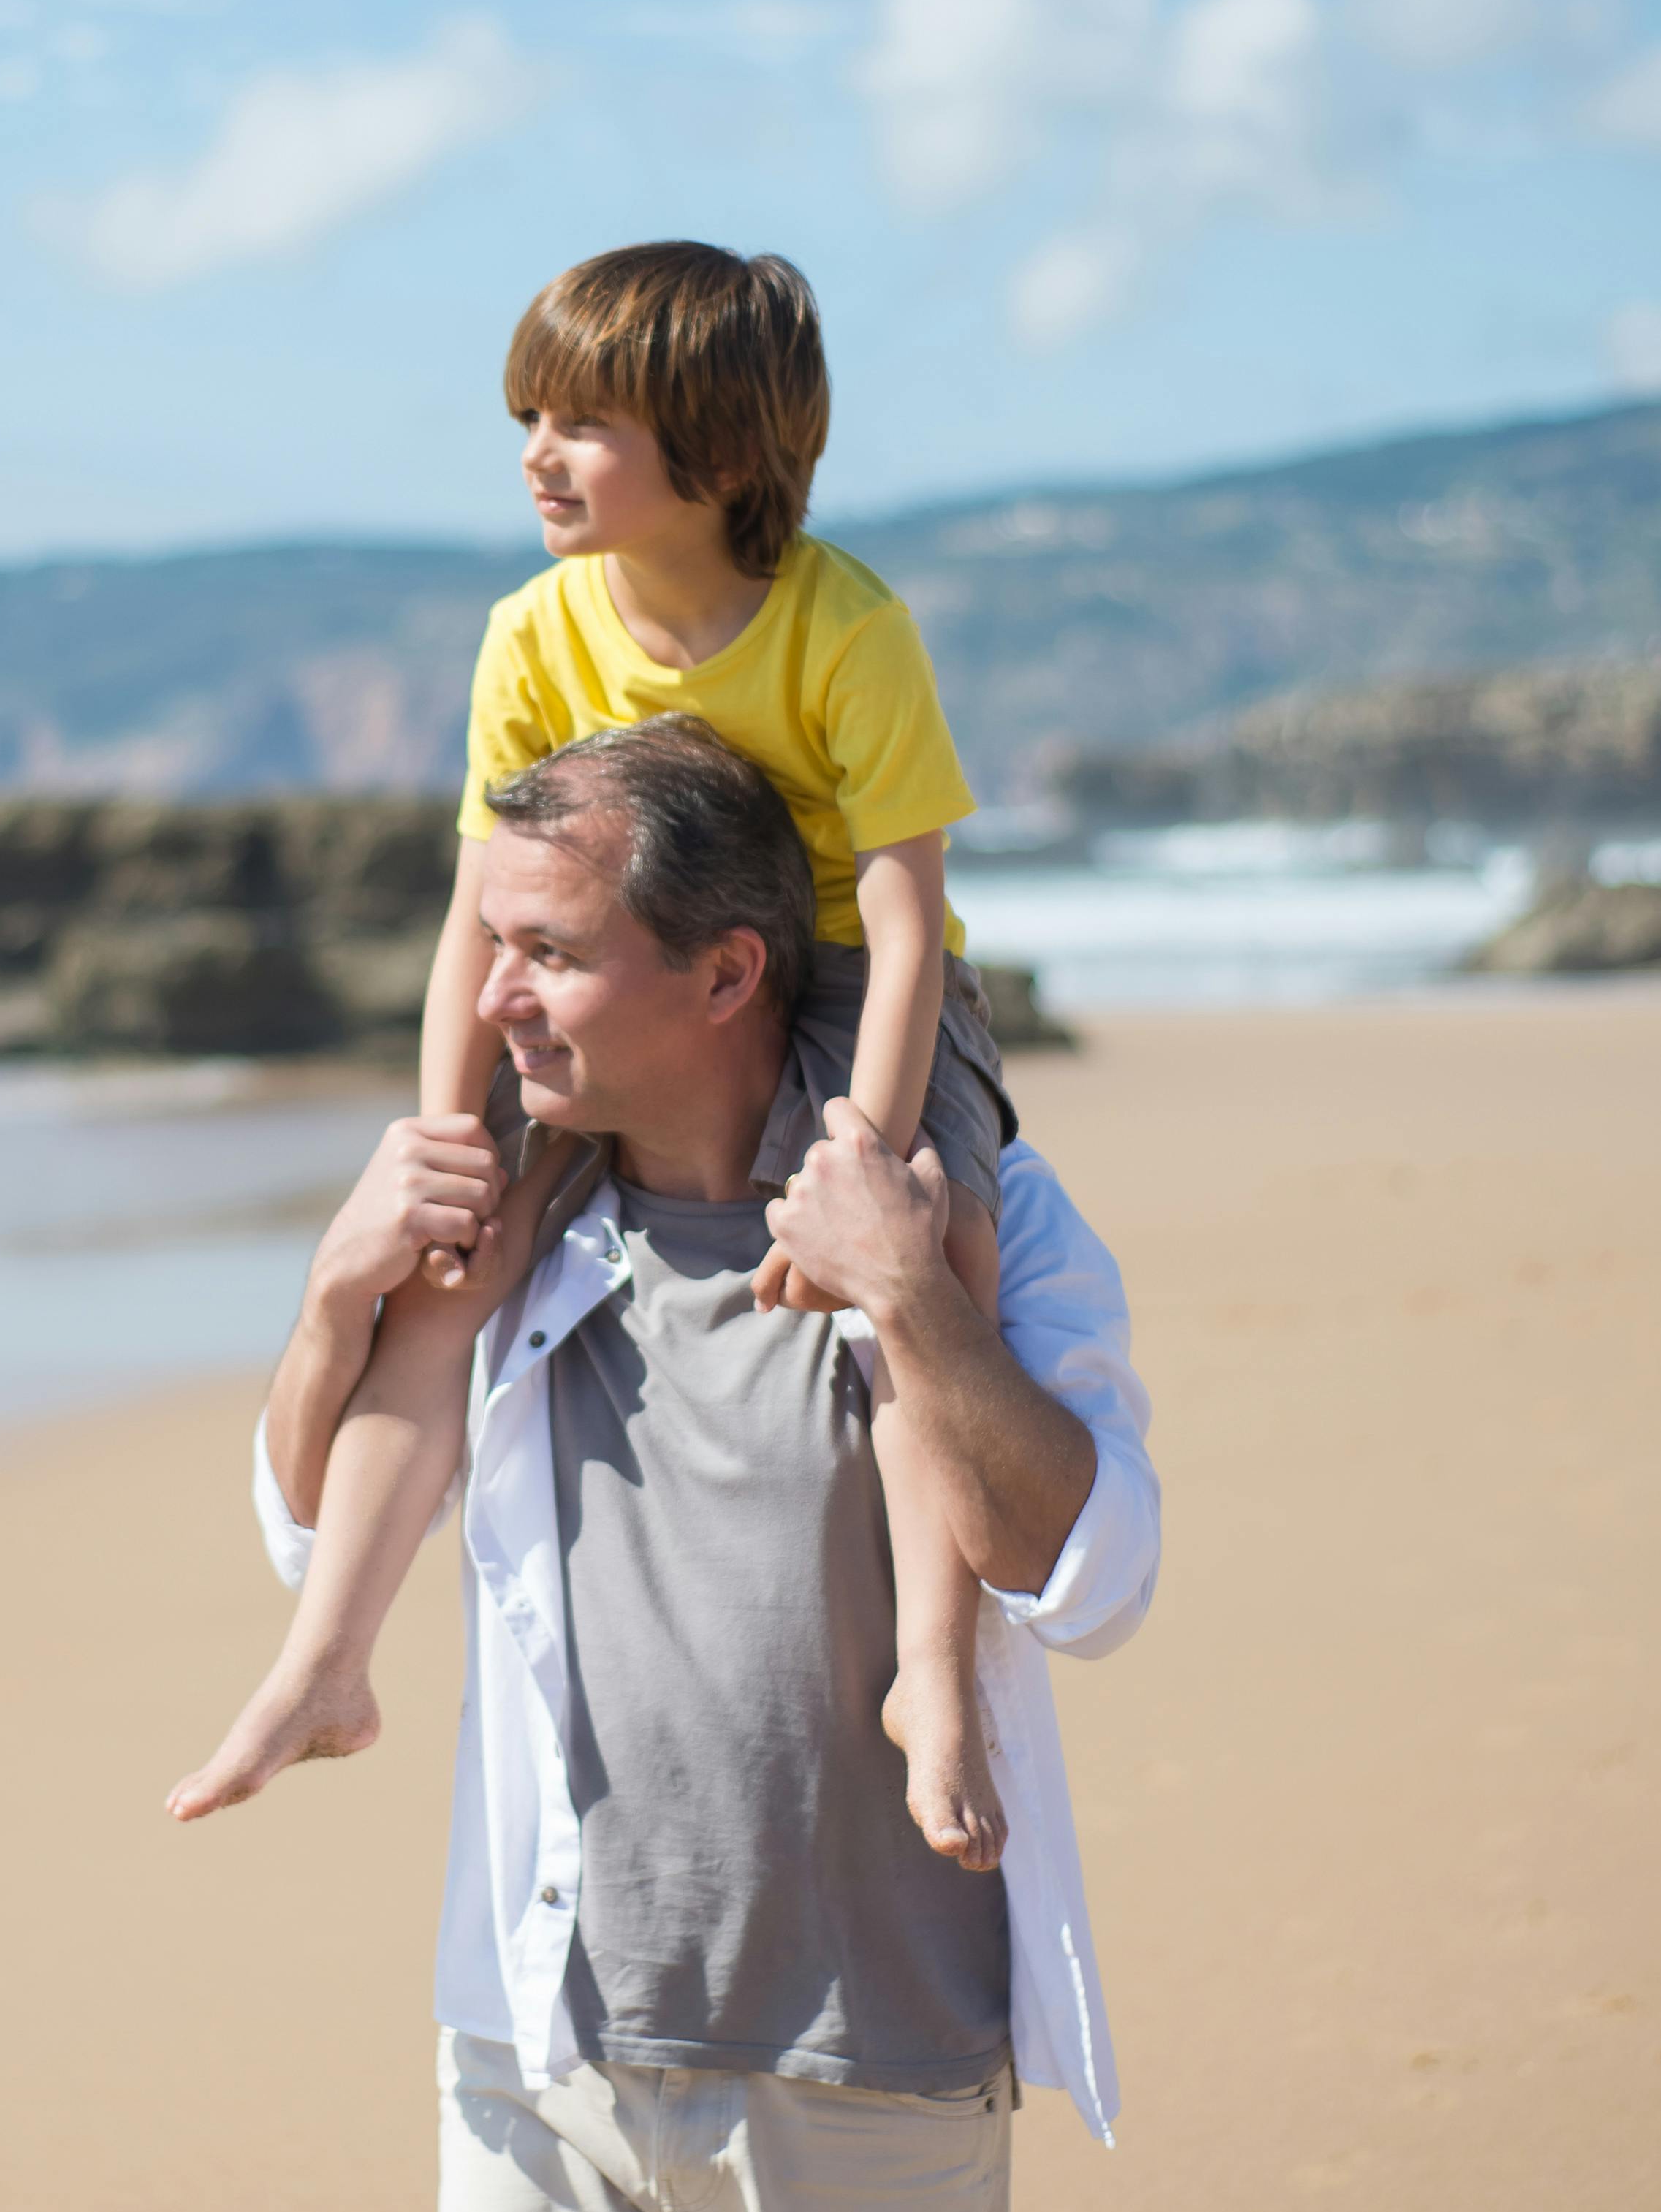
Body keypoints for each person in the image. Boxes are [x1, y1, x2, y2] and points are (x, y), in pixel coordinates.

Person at [174, 715, 1161, 2212]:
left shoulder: (975, 1210)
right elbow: (309, 1533)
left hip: (871, 2084)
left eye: (549, 953)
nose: (494, 1000)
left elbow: (1090, 1574)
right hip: (536, 2073)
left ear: (725, 974)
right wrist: (338, 1296)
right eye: (495, 944)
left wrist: (908, 1296)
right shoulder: (505, 1230)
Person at [175, 240, 1034, 1866]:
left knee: (933, 1255)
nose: (535, 455)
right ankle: (326, 1661)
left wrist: (866, 1144)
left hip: (848, 970)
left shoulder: (844, 627)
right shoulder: (531, 631)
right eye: (529, 417)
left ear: (715, 453)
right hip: (620, 965)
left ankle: (931, 1668)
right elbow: (470, 919)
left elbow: (912, 917)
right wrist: (448, 1142)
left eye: (581, 424)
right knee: (448, 1274)